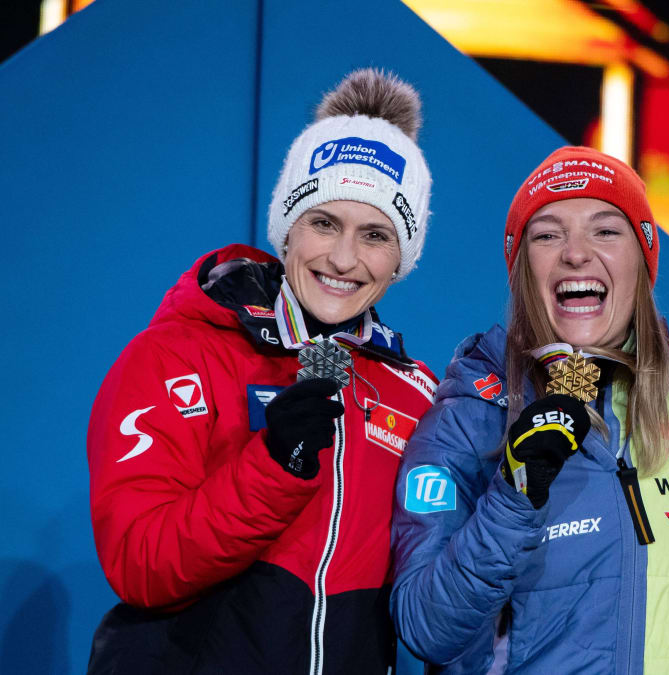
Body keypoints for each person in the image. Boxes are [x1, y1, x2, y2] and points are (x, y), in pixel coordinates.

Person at [86, 69, 439, 674]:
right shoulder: (179, 354)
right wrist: (276, 464)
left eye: (376, 235)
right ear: (286, 229)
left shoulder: (418, 396)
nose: (344, 258)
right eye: (324, 223)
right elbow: (139, 563)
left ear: (400, 258)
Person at [389, 146, 669, 673]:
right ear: (523, 270)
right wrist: (512, 494)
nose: (576, 253)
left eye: (606, 230)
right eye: (547, 234)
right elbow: (423, 628)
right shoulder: (471, 417)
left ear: (644, 259)